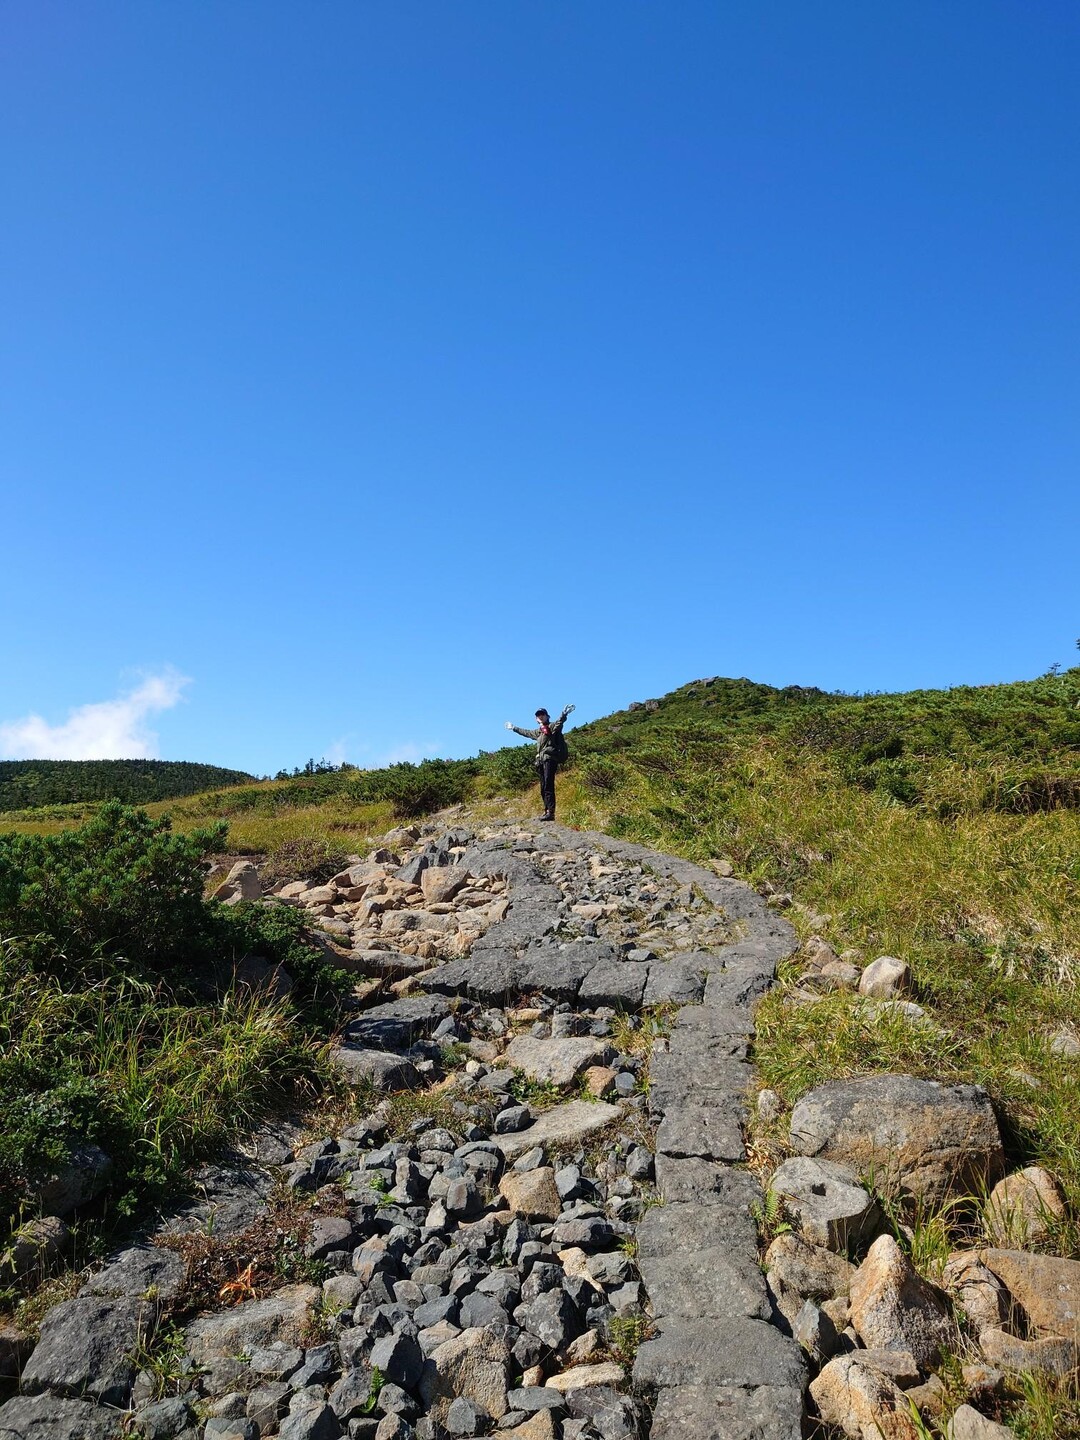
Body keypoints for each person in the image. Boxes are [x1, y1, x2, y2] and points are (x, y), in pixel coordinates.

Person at [505, 704, 576, 821]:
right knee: (543, 787)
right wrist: (514, 728)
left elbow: (559, 722)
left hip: (550, 759)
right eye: (538, 715)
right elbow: (526, 732)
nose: (540, 716)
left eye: (542, 714)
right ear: (536, 719)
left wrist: (564, 714)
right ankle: (547, 811)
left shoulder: (552, 727)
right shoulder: (538, 732)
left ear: (547, 716)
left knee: (548, 784)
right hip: (541, 762)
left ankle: (551, 812)